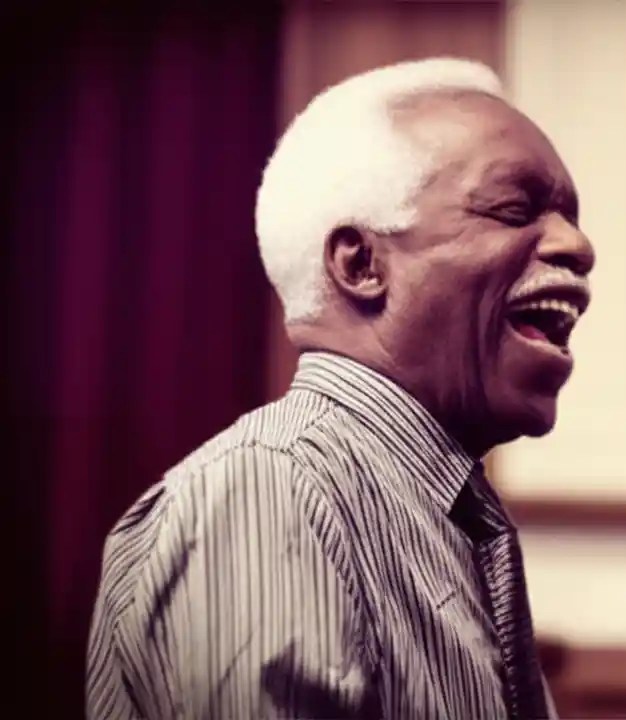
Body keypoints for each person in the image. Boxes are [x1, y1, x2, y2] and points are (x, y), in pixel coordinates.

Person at [85, 57, 593, 719]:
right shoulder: (272, 490)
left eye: (570, 218)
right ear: (361, 264)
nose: (578, 246)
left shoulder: (440, 513)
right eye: (514, 209)